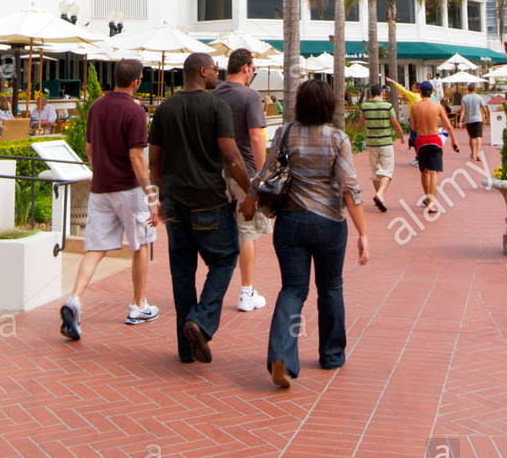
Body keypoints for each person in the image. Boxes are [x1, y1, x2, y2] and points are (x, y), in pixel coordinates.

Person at [242, 79, 368, 390]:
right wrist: (363, 232)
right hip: (329, 224)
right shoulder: (338, 139)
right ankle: (332, 354)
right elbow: (349, 187)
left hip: (291, 223)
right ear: (329, 106)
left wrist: (250, 196)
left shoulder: (286, 134)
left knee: (293, 290)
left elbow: (266, 171)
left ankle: (282, 354)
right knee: (331, 287)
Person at [148, 52, 251, 365]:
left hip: (177, 204)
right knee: (225, 258)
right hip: (209, 201)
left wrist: (161, 197)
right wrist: (252, 191)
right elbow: (232, 157)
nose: (216, 73)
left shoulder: (165, 109)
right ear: (203, 71)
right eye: (214, 69)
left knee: (182, 274)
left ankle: (185, 347)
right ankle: (202, 321)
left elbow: (154, 159)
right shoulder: (215, 107)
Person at [60, 58, 157, 341]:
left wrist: (100, 169)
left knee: (95, 249)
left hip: (101, 188)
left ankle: (75, 298)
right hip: (129, 189)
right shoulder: (136, 112)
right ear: (137, 81)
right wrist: (150, 194)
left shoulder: (96, 107)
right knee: (141, 244)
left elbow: (89, 148)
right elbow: (137, 156)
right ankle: (138, 305)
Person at [214, 47, 269, 312]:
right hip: (244, 172)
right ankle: (246, 291)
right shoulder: (249, 96)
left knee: (224, 232)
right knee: (247, 231)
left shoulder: (213, 95)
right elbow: (257, 138)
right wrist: (262, 176)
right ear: (246, 67)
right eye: (253, 68)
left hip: (216, 173)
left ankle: (218, 287)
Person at [409, 80, 460, 211]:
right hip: (435, 140)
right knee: (434, 173)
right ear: (431, 92)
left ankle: (427, 198)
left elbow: (413, 127)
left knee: (425, 172)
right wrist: (454, 141)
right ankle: (432, 203)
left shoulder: (414, 107)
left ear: (420, 93)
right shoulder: (437, 106)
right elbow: (448, 126)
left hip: (421, 141)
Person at [360, 81, 403, 211]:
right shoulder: (388, 106)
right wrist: (401, 135)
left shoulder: (365, 106)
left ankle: (380, 197)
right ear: (381, 93)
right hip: (386, 143)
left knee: (374, 172)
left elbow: (362, 123)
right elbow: (395, 123)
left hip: (372, 143)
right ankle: (380, 194)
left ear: (371, 94)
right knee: (387, 170)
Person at [459, 82, 485, 162]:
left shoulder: (464, 98)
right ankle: (478, 154)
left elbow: (463, 110)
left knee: (471, 137)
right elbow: (484, 108)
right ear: (475, 89)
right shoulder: (479, 97)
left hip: (469, 120)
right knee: (479, 136)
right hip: (478, 119)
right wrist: (486, 114)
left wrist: (460, 121)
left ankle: (473, 153)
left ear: (468, 89)